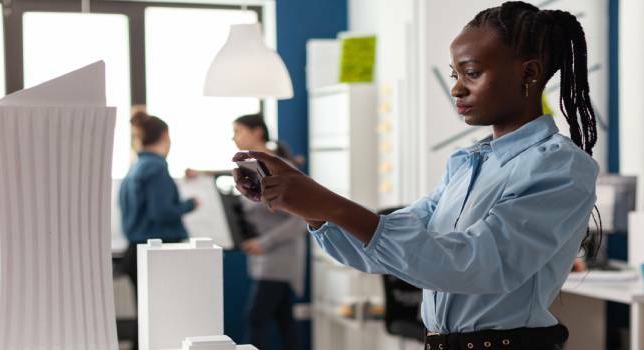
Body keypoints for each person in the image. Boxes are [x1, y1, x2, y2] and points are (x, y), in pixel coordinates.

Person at [233, 2, 600, 349]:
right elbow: (384, 252)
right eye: (456, 74)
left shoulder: (560, 166)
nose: (456, 87)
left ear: (530, 73)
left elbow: (476, 264)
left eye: (471, 73)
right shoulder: (468, 163)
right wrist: (308, 204)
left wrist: (329, 203)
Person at [232, 114, 307, 350]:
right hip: (265, 260)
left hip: (279, 259)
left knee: (256, 318)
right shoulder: (248, 168)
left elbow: (300, 219)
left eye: (238, 131)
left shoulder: (280, 167)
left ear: (257, 132)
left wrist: (264, 243)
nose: (234, 138)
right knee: (285, 322)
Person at [119, 113, 198, 290]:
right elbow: (162, 212)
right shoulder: (156, 167)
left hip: (137, 251)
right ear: (165, 135)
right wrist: (190, 204)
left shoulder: (136, 167)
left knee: (147, 315)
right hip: (158, 253)